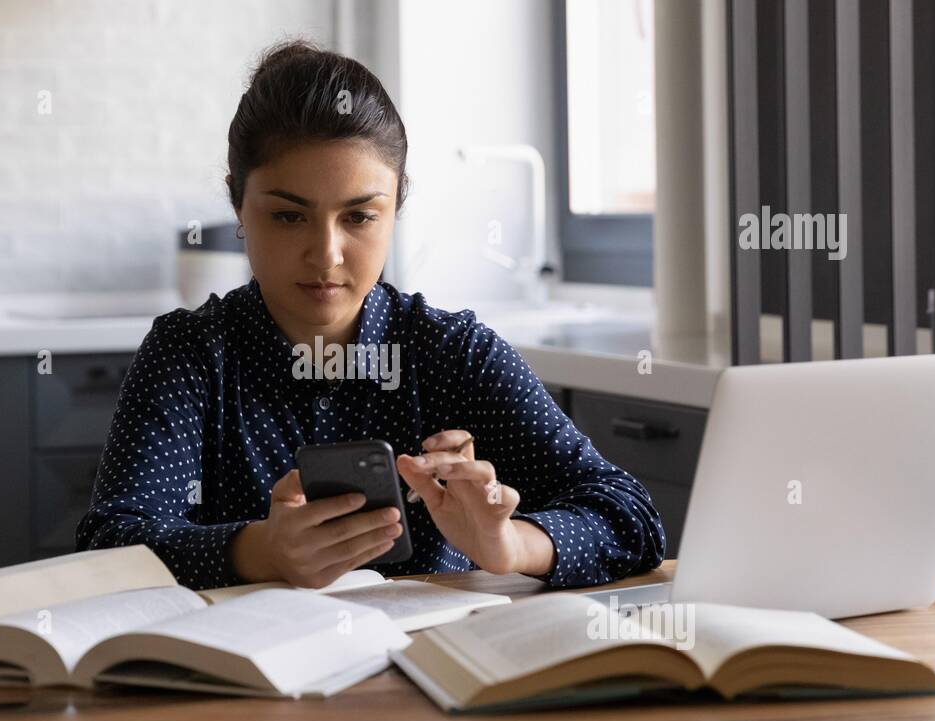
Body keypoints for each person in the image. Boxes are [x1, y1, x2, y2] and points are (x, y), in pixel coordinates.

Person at [75, 38, 666, 591]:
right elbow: (110, 547)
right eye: (288, 216)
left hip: (424, 678)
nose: (326, 254)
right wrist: (260, 552)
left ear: (396, 206)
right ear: (238, 203)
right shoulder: (191, 353)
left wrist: (510, 543)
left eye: (359, 217)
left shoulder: (453, 353)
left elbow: (630, 516)